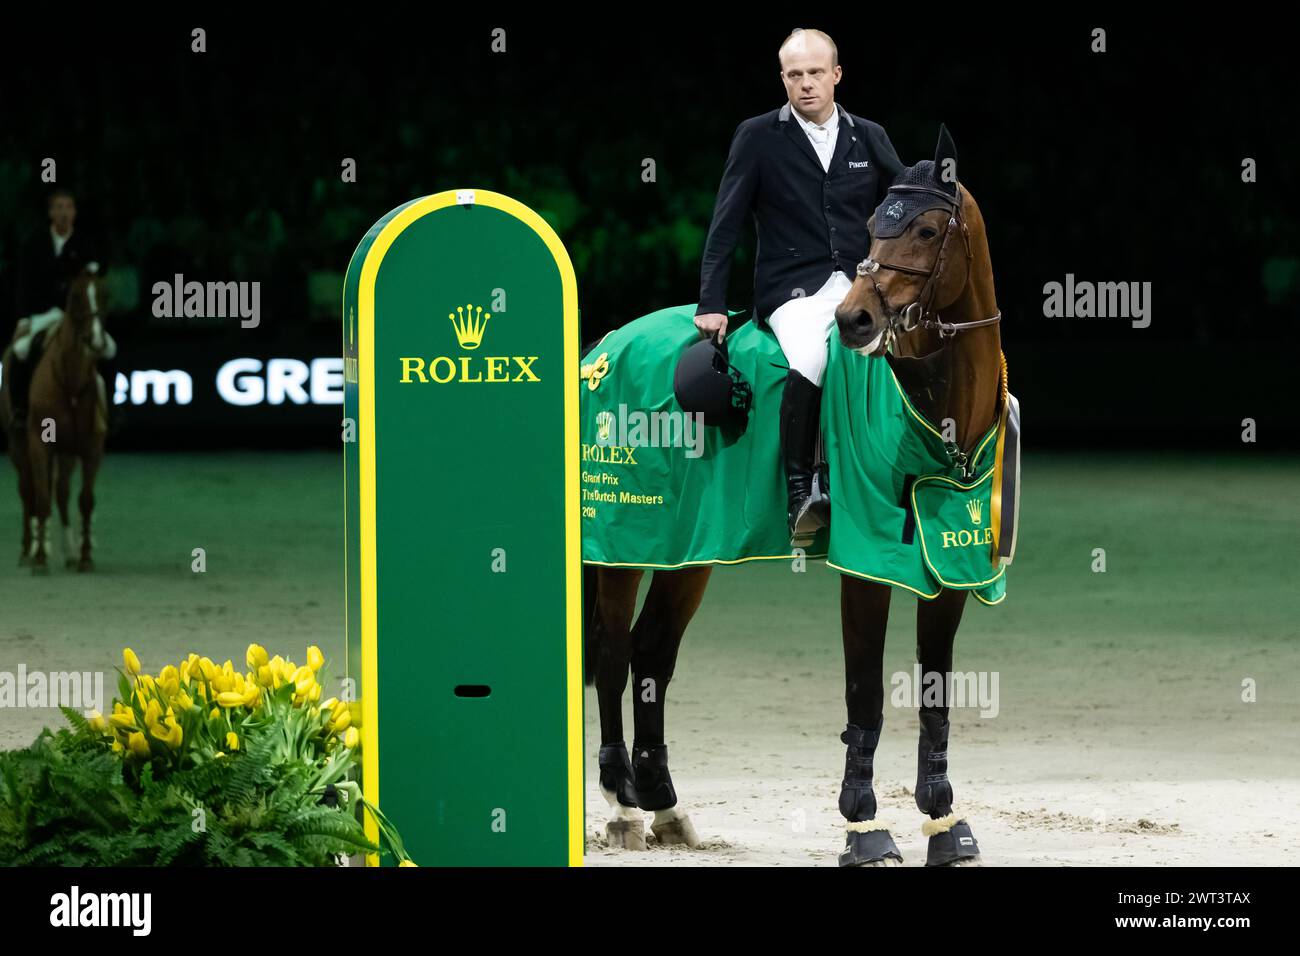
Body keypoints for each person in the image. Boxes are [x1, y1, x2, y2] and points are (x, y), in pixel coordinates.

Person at [695, 28, 903, 546]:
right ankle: (801, 493)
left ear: (836, 75)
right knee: (812, 356)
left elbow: (902, 206)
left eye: (816, 73)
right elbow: (727, 222)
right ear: (783, 79)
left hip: (860, 285)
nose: (806, 84)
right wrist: (711, 302)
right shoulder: (758, 135)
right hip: (794, 291)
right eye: (795, 75)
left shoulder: (869, 135)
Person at [6, 188, 113, 430]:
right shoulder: (34, 244)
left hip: (76, 318)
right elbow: (22, 285)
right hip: (43, 315)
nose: (64, 213)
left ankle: (112, 410)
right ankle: (20, 410)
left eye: (68, 207)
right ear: (51, 213)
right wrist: (23, 320)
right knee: (20, 351)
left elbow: (92, 285)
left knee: (109, 350)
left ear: (74, 213)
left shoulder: (85, 245)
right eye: (59, 207)